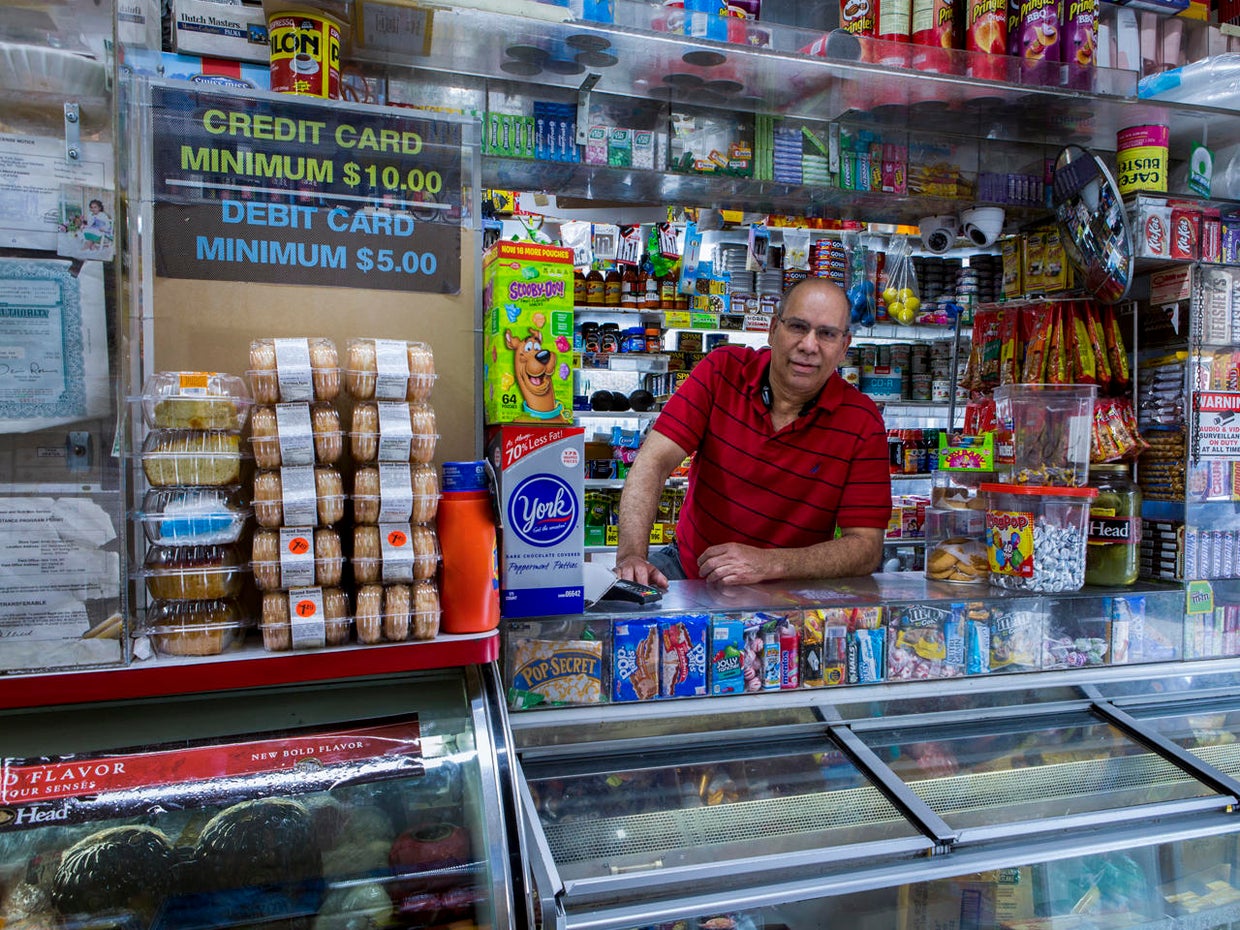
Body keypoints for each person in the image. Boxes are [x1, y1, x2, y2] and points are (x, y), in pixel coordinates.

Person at [614, 277, 892, 589]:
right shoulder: (722, 372)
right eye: (798, 327)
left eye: (826, 334)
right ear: (773, 330)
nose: (809, 346)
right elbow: (653, 463)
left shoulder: (862, 421)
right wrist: (632, 556)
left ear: (843, 347)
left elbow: (866, 548)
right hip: (688, 570)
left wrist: (772, 563)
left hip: (791, 587)